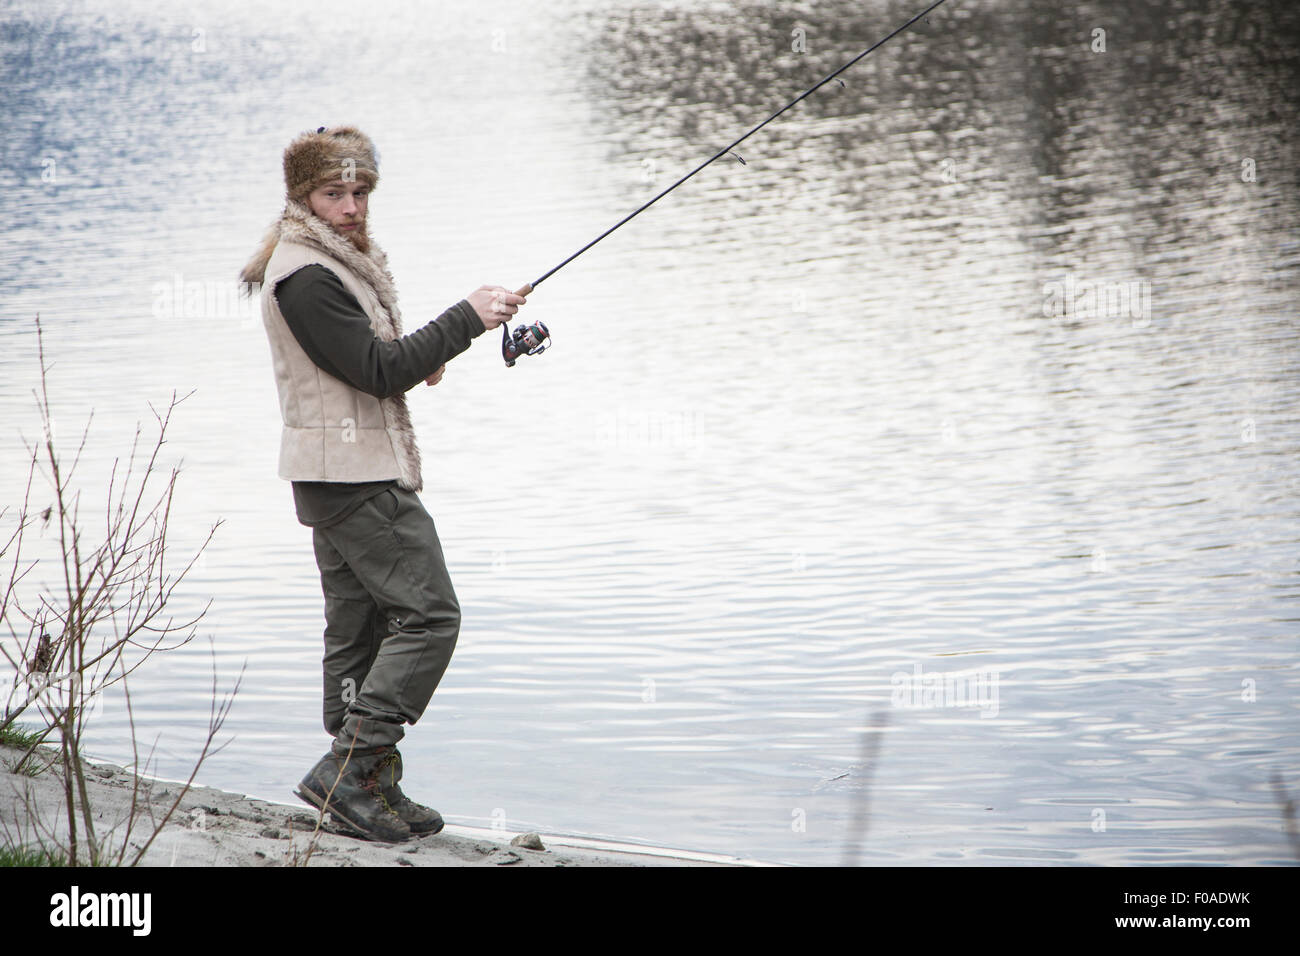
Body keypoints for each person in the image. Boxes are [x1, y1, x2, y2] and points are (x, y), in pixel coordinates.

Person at [239, 125, 526, 842]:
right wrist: (466, 319)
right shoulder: (307, 275)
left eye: (359, 192)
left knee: (362, 626)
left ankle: (366, 784)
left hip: (331, 476)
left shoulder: (321, 264)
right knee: (430, 617)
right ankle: (352, 769)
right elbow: (375, 371)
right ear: (303, 195)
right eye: (334, 193)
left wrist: (417, 359)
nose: (351, 206)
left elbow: (372, 363)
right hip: (358, 478)